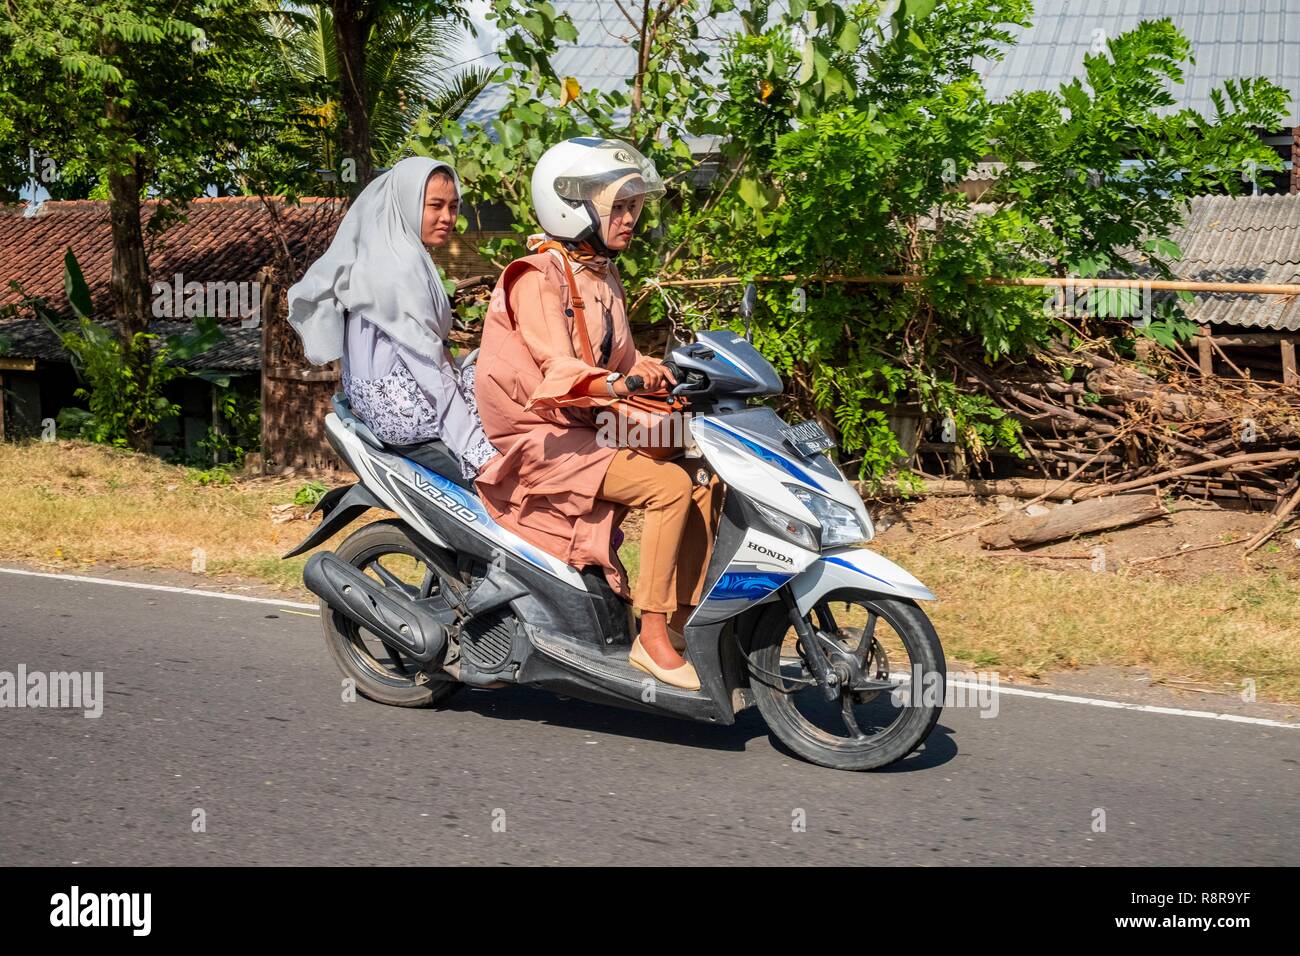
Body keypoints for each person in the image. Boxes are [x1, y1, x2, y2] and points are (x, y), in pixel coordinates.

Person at [473, 138, 723, 690]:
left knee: (704, 471)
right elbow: (556, 370)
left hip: (589, 422)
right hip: (542, 435)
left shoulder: (602, 274)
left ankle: (680, 623)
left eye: (635, 207)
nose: (631, 219)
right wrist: (620, 382)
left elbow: (627, 360)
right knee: (668, 488)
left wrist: (676, 373)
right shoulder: (536, 275)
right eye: (620, 206)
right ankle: (651, 638)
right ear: (574, 204)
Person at [287, 157, 497, 480]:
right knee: (498, 382)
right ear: (408, 203)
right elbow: (429, 370)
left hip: (373, 401)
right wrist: (477, 453)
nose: (447, 218)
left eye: (453, 207)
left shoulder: (383, 250)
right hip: (401, 411)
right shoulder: (401, 268)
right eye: (435, 206)